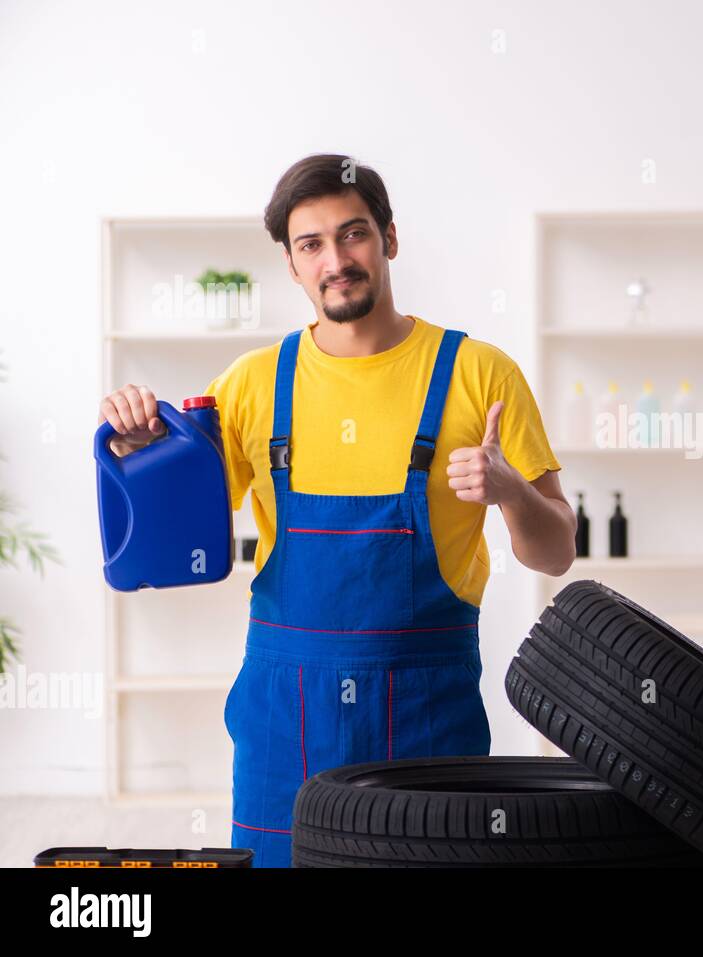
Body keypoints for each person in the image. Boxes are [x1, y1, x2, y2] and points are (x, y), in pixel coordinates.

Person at [96, 153, 576, 867]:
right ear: (291, 264)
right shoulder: (252, 386)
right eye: (311, 243)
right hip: (284, 725)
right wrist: (138, 453)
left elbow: (556, 551)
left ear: (389, 237)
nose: (336, 259)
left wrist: (510, 490)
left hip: (428, 718)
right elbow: (170, 544)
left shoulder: (480, 374)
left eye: (352, 234)